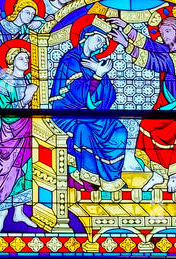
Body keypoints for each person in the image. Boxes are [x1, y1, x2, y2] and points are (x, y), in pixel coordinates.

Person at [111, 15, 176, 193]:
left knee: (171, 136)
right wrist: (126, 27)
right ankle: (158, 174)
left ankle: (173, 175)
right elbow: (152, 46)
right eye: (161, 32)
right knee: (148, 127)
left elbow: (156, 61)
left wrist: (126, 45)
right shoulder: (173, 48)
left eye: (167, 31)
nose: (164, 35)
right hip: (169, 103)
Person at [51, 18, 127, 189]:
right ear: (87, 36)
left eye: (104, 43)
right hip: (68, 113)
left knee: (119, 130)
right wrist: (98, 74)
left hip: (92, 115)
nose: (101, 46)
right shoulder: (70, 60)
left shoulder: (94, 63)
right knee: (83, 130)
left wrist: (98, 73)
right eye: (99, 39)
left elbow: (109, 95)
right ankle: (87, 179)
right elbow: (76, 95)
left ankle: (109, 180)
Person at [0, 39, 37, 232]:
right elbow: (6, 114)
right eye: (21, 57)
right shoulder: (2, 84)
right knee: (6, 173)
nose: (26, 60)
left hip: (27, 133)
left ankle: (19, 213)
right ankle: (2, 215)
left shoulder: (27, 81)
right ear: (11, 60)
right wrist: (26, 98)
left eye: (27, 57)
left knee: (24, 173)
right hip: (10, 136)